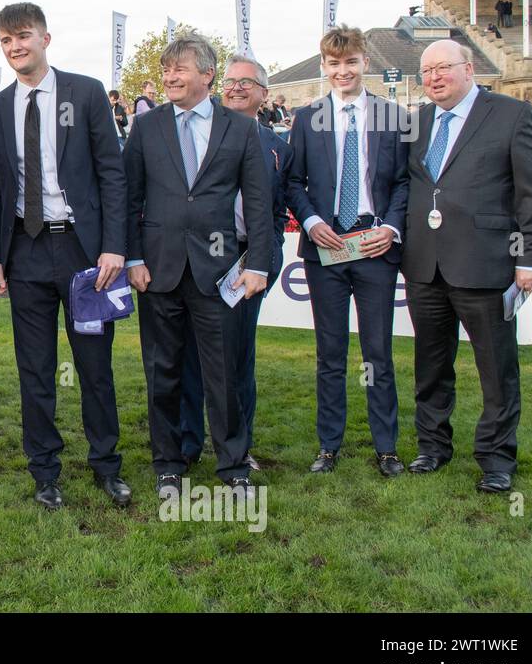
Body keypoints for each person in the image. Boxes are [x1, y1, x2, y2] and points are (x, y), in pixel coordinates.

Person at [0, 3, 130, 510]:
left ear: (46, 37)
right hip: (24, 252)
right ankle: (44, 471)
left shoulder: (85, 93)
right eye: (6, 40)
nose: (15, 46)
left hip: (84, 253)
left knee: (94, 365)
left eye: (23, 36)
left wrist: (114, 245)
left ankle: (106, 465)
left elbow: (112, 172)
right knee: (35, 369)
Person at [125, 32, 271, 498]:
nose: (169, 77)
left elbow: (261, 204)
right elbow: (128, 200)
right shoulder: (146, 127)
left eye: (179, 69)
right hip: (159, 272)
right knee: (163, 371)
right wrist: (132, 257)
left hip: (220, 273)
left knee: (224, 375)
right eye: (166, 70)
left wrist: (259, 266)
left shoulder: (242, 129)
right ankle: (168, 463)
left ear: (207, 76)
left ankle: (233, 467)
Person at [402, 40, 532, 493]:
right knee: (430, 364)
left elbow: (531, 192)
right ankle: (432, 446)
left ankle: (496, 458)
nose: (434, 77)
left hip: (486, 263)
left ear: (469, 69)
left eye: (443, 67)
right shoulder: (417, 122)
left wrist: (531, 257)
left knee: (496, 369)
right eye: (427, 71)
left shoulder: (508, 114)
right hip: (426, 266)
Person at [287, 25, 409, 477]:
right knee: (330, 352)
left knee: (378, 353)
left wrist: (393, 228)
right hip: (327, 248)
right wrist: (314, 222)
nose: (343, 71)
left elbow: (402, 183)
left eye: (351, 62)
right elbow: (292, 182)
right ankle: (329, 446)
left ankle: (386, 448)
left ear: (365, 63)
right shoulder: (307, 117)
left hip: (374, 245)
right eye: (334, 64)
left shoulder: (392, 116)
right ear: (324, 66)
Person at [178, 56, 292, 471]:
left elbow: (278, 206)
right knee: (190, 353)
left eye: (248, 82)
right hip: (200, 257)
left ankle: (238, 445)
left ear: (264, 94)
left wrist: (265, 254)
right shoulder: (198, 129)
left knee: (238, 357)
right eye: (230, 81)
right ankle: (187, 443)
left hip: (248, 261)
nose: (237, 87)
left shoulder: (277, 145)